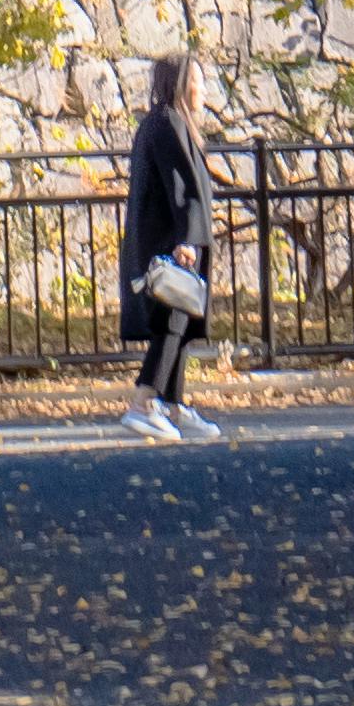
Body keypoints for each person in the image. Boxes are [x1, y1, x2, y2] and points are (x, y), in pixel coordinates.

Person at [118, 51, 221, 443]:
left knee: (181, 317)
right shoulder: (167, 124)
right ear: (181, 83)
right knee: (172, 319)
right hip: (169, 241)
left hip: (167, 239)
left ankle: (173, 404)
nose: (204, 89)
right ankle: (145, 401)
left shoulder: (166, 123)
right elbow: (182, 189)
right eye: (199, 79)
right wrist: (186, 238)